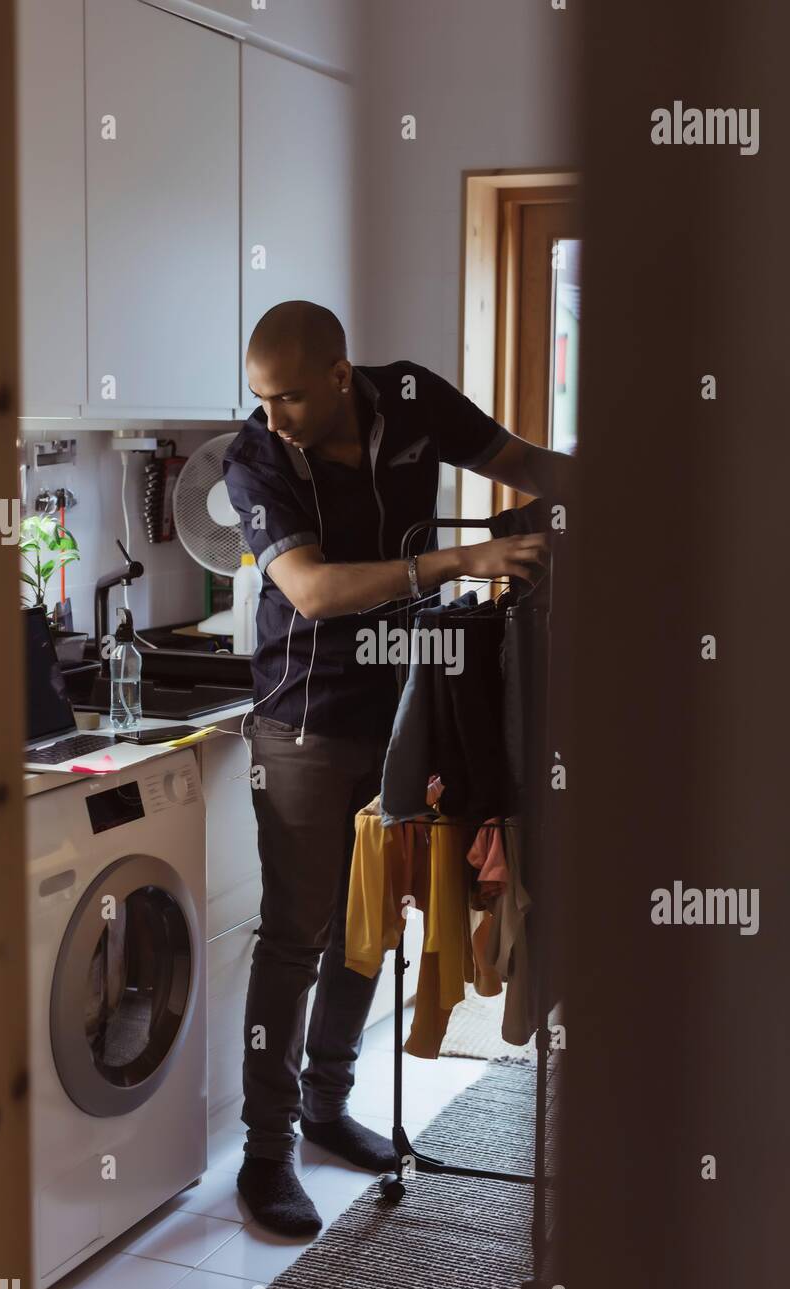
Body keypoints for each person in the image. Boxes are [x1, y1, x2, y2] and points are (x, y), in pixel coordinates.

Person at [222, 300, 567, 1236]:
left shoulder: (412, 398)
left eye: (288, 396)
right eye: (260, 397)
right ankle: (267, 1155)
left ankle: (330, 1109)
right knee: (297, 933)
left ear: (342, 377)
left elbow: (521, 462)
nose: (272, 414)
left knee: (368, 921)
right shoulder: (255, 456)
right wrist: (466, 555)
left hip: (408, 710)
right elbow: (312, 589)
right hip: (303, 720)